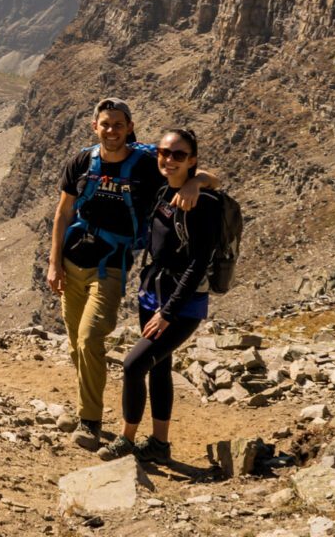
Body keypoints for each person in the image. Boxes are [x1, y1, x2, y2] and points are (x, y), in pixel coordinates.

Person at [46, 99, 211, 451]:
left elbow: (189, 168)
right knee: (77, 345)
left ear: (129, 127)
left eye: (118, 124)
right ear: (95, 127)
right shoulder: (81, 161)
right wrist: (53, 262)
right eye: (105, 124)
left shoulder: (149, 162)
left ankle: (91, 422)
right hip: (71, 261)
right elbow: (63, 213)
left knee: (91, 338)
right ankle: (86, 411)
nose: (111, 130)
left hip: (110, 266)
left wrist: (196, 184)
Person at [98, 128, 219, 464]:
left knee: (133, 365)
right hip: (152, 294)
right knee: (159, 367)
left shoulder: (202, 203)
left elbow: (198, 264)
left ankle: (126, 439)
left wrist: (167, 312)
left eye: (179, 155)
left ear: (193, 160)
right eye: (164, 153)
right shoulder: (166, 188)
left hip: (179, 305)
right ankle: (160, 445)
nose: (169, 159)